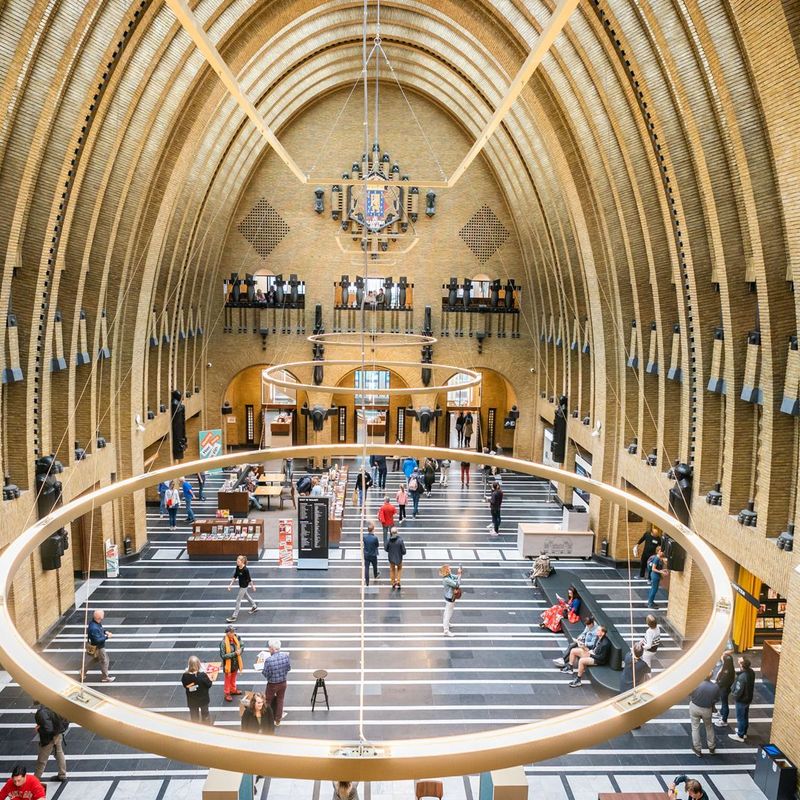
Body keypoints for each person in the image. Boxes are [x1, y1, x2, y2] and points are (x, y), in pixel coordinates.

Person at [33, 702, 68, 782]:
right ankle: (62, 774)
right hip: (58, 734)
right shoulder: (58, 705)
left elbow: (48, 729)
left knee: (42, 760)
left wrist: (38, 729)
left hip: (48, 738)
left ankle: (35, 780)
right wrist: (60, 730)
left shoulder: (41, 712)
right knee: (59, 753)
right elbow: (66, 720)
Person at [688, 672, 719, 756]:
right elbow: (716, 699)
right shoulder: (715, 687)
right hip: (707, 709)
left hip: (695, 706)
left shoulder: (696, 684)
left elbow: (689, 693)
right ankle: (711, 747)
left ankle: (697, 748)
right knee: (709, 727)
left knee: (695, 727)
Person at [262, 639, 291, 725]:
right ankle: (278, 719)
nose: (269, 649)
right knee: (280, 700)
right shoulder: (285, 656)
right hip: (283, 682)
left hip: (272, 684)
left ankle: (267, 717)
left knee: (268, 700)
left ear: (272, 648)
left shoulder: (269, 660)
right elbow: (288, 668)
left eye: (269, 648)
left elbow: (265, 674)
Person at [82, 609, 115, 682]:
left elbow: (100, 629)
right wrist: (107, 637)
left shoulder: (95, 622)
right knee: (105, 661)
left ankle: (83, 671)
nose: (103, 615)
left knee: (96, 659)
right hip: (99, 647)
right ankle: (105, 677)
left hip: (98, 647)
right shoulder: (94, 628)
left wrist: (105, 631)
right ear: (99, 617)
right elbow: (97, 640)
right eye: (102, 614)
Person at [728, 656, 755, 742]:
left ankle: (740, 735)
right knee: (745, 716)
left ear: (742, 666)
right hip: (748, 698)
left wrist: (734, 696)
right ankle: (743, 731)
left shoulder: (742, 677)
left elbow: (739, 690)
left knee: (740, 717)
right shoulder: (751, 672)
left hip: (742, 699)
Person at [181, 655, 212, 724]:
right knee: (205, 714)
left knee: (194, 717)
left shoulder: (185, 676)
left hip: (192, 700)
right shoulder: (202, 676)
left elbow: (185, 685)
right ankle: (206, 725)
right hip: (203, 699)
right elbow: (209, 684)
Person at [227, 555, 258, 622]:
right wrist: (230, 585)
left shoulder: (245, 570)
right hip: (241, 585)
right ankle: (254, 606)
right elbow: (235, 576)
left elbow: (249, 579)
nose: (237, 563)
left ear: (242, 562)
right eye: (237, 561)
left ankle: (234, 616)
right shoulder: (238, 567)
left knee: (238, 600)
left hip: (244, 586)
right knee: (246, 596)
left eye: (238, 562)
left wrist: (253, 586)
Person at [713, 647, 736, 728]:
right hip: (725, 687)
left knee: (724, 703)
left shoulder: (727, 671)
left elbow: (722, 681)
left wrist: (717, 684)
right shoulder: (728, 667)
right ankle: (722, 713)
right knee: (723, 702)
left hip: (724, 688)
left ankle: (724, 720)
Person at [220, 625, 244, 703]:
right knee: (228, 679)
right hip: (228, 665)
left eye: (234, 631)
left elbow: (242, 645)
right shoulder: (223, 643)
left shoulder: (237, 637)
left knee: (234, 677)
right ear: (227, 633)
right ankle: (227, 693)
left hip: (236, 663)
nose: (234, 633)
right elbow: (223, 656)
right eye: (232, 632)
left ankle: (233, 689)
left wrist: (240, 650)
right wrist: (234, 654)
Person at [441, 564, 462, 637]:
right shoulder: (446, 579)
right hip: (450, 598)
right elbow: (457, 585)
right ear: (446, 571)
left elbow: (456, 577)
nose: (450, 569)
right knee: (448, 613)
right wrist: (459, 574)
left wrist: (459, 574)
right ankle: (446, 630)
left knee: (446, 611)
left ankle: (446, 623)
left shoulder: (449, 576)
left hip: (448, 597)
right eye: (449, 568)